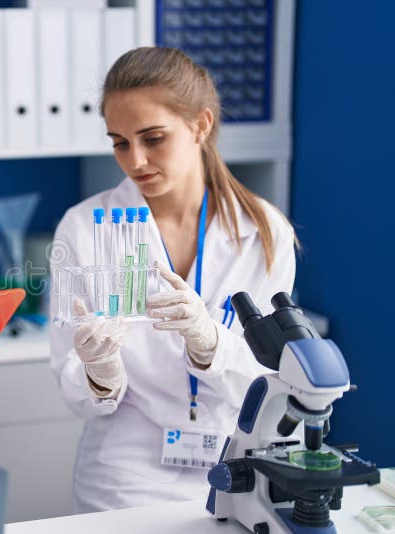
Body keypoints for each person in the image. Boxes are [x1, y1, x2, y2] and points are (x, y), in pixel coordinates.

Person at [49, 47, 296, 512]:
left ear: (200, 125)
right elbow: (76, 395)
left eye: (153, 138)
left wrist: (212, 346)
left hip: (232, 465)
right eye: (120, 142)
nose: (136, 160)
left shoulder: (264, 232)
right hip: (121, 479)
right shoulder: (84, 228)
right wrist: (99, 373)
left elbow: (270, 386)